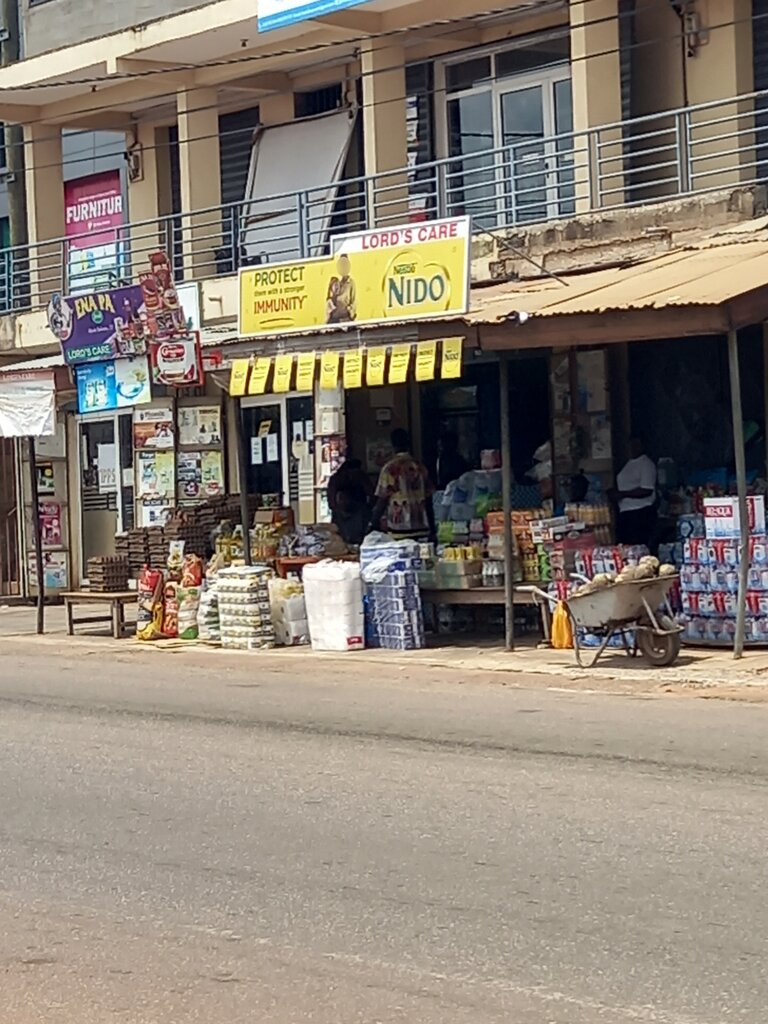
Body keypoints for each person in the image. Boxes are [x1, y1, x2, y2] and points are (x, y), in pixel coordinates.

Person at [371, 429, 436, 540]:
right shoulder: (420, 467)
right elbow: (428, 500)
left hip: (398, 529)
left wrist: (373, 523)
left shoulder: (389, 468)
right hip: (421, 526)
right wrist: (432, 528)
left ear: (393, 445)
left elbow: (382, 500)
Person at [615, 438, 657, 546]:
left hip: (640, 512)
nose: (632, 447)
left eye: (636, 444)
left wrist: (623, 494)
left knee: (637, 545)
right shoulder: (629, 463)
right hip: (626, 511)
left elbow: (647, 489)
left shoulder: (646, 464)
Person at [327, 458, 372, 546]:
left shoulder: (337, 477)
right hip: (354, 511)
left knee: (342, 540)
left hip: (351, 511)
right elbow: (371, 493)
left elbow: (331, 500)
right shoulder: (358, 476)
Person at [326, 254, 356, 323]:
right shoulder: (337, 282)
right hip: (335, 318)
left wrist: (350, 311)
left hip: (346, 319)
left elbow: (353, 301)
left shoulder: (351, 283)